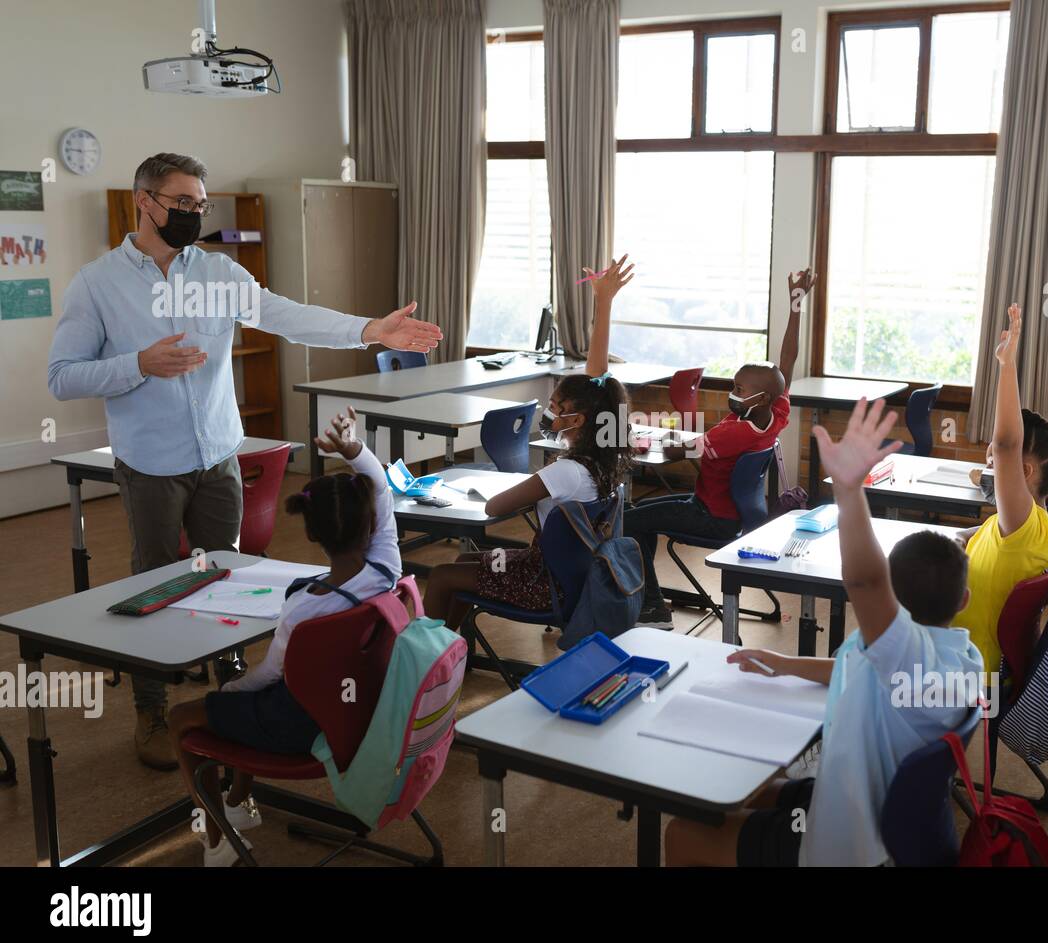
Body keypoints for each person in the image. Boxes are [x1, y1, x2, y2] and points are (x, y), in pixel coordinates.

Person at [47, 153, 441, 770]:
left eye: (202, 205)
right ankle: (151, 709)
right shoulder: (97, 283)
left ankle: (231, 687)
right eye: (183, 204)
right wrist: (137, 365)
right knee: (152, 584)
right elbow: (62, 378)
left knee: (226, 578)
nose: (195, 215)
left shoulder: (219, 272)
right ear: (143, 202)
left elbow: (289, 317)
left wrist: (370, 330)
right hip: (150, 461)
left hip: (217, 454)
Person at [663, 398, 983, 866]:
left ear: (888, 603)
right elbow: (860, 668)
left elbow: (866, 582)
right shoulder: (961, 656)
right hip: (876, 807)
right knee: (749, 792)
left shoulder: (905, 653)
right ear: (963, 602)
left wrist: (850, 491)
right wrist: (788, 664)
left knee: (683, 834)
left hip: (850, 846)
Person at [167, 406, 400, 866]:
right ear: (372, 525)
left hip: (302, 728)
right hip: (361, 713)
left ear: (313, 535)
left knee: (186, 715)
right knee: (241, 703)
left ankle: (217, 842)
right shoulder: (388, 567)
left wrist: (229, 690)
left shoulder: (304, 607)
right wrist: (353, 448)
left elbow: (270, 676)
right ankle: (237, 803)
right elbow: (382, 490)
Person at [422, 256, 635, 627]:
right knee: (461, 563)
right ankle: (452, 652)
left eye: (556, 406)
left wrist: (530, 486)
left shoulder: (567, 471)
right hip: (576, 577)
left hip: (543, 584)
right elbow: (598, 380)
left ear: (577, 419)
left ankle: (426, 659)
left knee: (440, 575)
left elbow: (494, 508)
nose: (549, 412)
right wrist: (603, 303)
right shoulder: (606, 451)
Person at [623, 268, 814, 629]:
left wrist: (631, 442)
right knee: (639, 513)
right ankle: (649, 597)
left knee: (627, 521)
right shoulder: (776, 414)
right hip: (728, 513)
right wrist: (796, 303)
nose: (734, 391)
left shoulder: (732, 436)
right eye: (734, 385)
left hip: (711, 519)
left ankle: (652, 607)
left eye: (740, 388)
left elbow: (676, 452)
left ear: (763, 396)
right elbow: (787, 359)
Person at [952, 304, 1048, 672]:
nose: (992, 461)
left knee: (862, 658)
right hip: (974, 662)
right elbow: (972, 535)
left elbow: (1006, 443)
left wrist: (1007, 366)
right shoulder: (1037, 527)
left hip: (971, 672)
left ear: (1023, 471)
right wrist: (959, 539)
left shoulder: (1023, 525)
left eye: (997, 462)